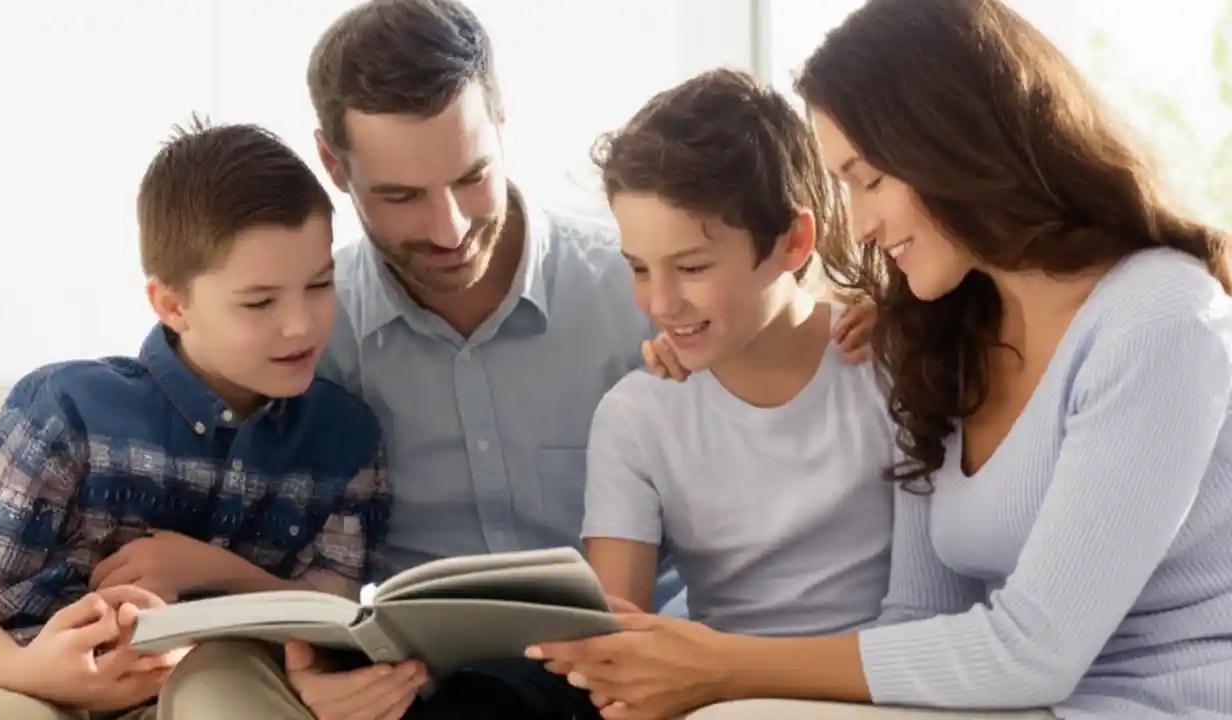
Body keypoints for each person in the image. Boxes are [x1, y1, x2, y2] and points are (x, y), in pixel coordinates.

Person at [529, 1, 1232, 718]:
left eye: (868, 181)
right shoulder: (949, 340)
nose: (860, 225)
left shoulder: (1160, 316)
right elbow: (920, 614)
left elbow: (1033, 651)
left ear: (955, 147)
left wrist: (723, 666)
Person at [223, 2, 878, 720]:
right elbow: (168, 407)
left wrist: (897, 314)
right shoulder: (308, 332)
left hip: (638, 666)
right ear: (333, 166)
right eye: (402, 197)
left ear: (502, 122)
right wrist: (307, 673)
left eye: (472, 177)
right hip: (418, 688)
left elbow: (781, 292)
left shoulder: (639, 287)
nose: (450, 229)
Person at [0, 121, 390, 719]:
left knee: (224, 693)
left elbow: (333, 621)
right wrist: (36, 673)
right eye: (260, 302)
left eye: (319, 284)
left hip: (201, 686)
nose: (301, 324)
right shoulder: (65, 409)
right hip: (24, 678)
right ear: (172, 304)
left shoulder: (346, 438)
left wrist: (212, 570)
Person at [576, 66, 894, 667]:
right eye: (640, 268)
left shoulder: (885, 362)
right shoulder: (636, 416)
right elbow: (615, 636)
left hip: (886, 685)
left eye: (691, 267)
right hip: (721, 695)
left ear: (793, 243)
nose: (661, 304)